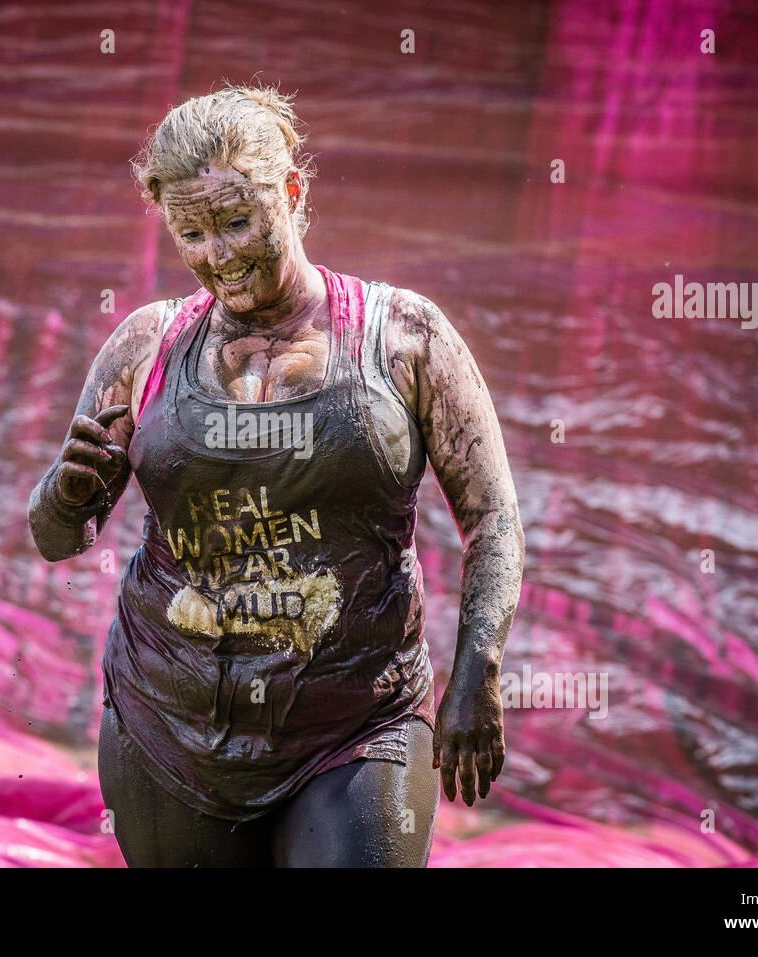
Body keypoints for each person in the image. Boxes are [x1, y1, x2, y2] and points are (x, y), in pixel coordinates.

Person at [28, 83, 525, 867]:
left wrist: (477, 672)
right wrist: (65, 492)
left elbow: (494, 519)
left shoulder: (404, 337)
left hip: (355, 723)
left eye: (235, 221)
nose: (217, 254)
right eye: (190, 231)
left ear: (292, 192)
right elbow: (61, 537)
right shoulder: (145, 347)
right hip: (169, 721)